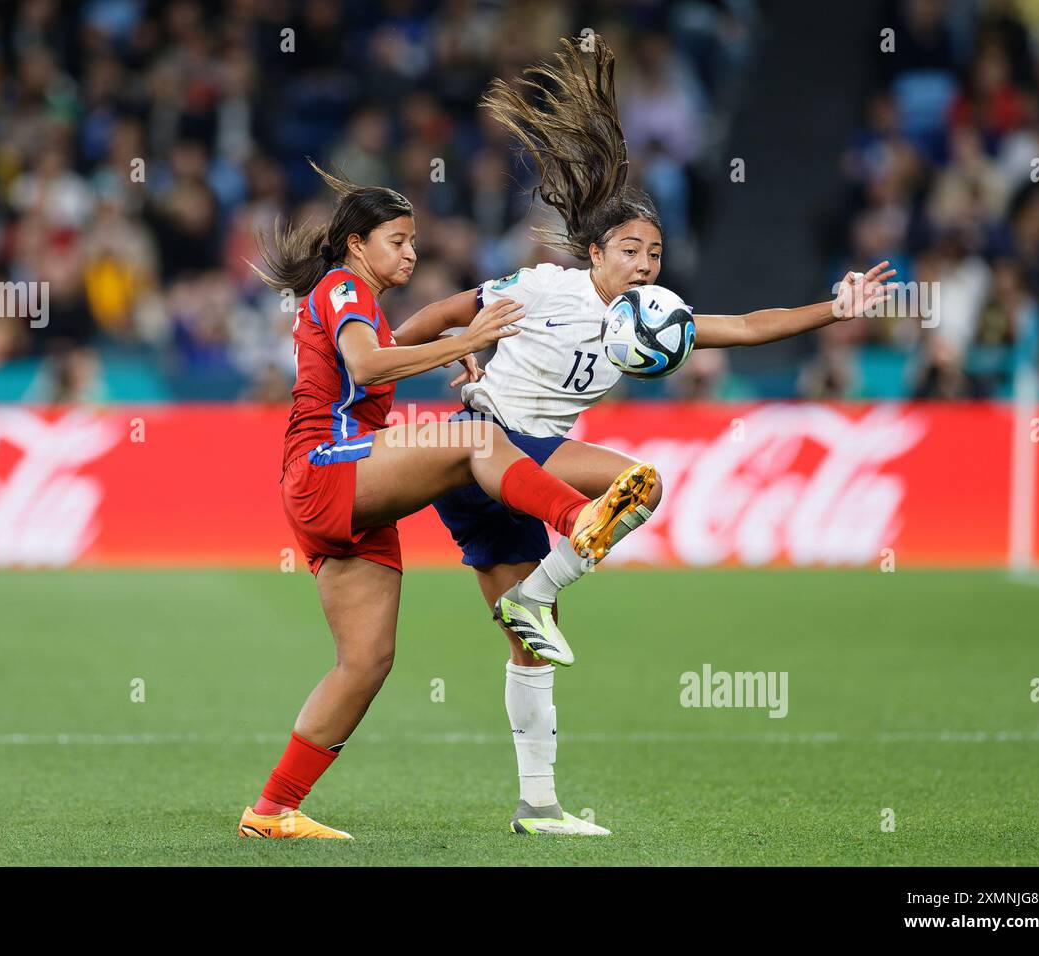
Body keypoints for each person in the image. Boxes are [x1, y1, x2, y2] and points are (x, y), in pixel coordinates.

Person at [393, 37, 896, 836]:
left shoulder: (655, 321)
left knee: (530, 650)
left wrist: (836, 308)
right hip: (488, 445)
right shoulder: (547, 288)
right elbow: (453, 310)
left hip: (513, 475)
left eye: (655, 254)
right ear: (594, 252)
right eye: (630, 249)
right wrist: (400, 362)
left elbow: (746, 323)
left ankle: (539, 804)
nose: (644, 264)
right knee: (642, 483)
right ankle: (541, 591)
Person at [237, 162, 663, 839]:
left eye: (413, 241)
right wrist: (467, 340)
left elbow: (368, 369)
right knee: (473, 436)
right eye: (398, 240)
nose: (410, 253)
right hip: (327, 470)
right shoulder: (344, 284)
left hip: (349, 494)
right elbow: (368, 366)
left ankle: (272, 808)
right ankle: (577, 519)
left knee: (367, 663)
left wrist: (444, 352)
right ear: (357, 243)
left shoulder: (357, 299)